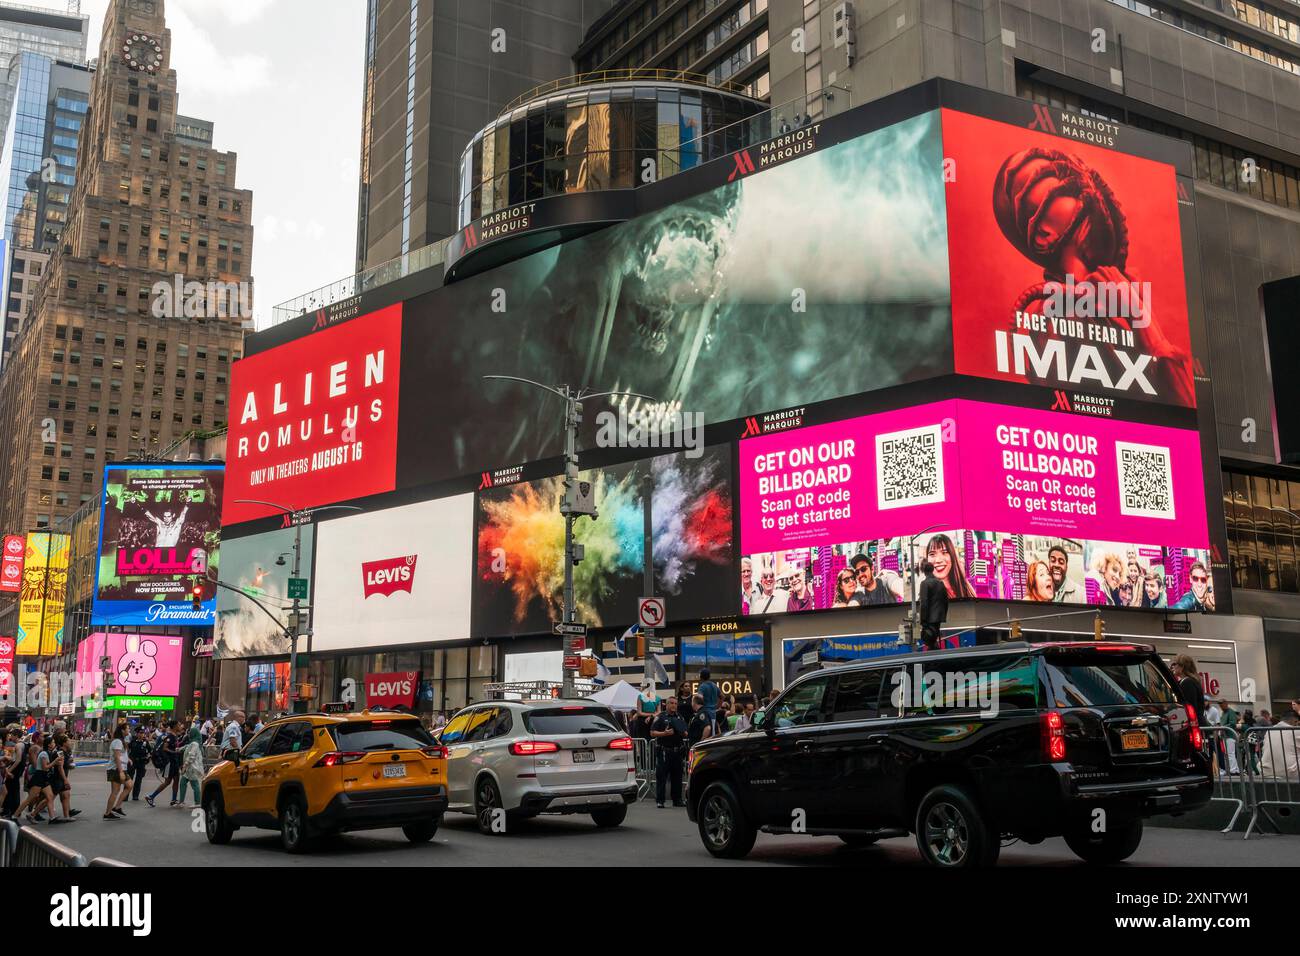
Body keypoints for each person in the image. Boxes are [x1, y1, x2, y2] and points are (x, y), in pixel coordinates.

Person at [650, 696, 687, 808]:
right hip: (664, 751)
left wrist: (683, 733)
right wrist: (664, 734)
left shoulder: (680, 717)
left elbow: (685, 732)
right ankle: (660, 800)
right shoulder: (660, 717)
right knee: (662, 776)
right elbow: (652, 733)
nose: (674, 705)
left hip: (677, 751)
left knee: (677, 776)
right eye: (671, 703)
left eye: (675, 703)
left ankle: (677, 800)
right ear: (666, 704)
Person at [924, 534, 976, 599]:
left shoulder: (965, 584)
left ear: (952, 555)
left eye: (944, 552)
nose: (938, 560)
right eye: (932, 554)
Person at [145, 720, 181, 807]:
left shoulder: (174, 735)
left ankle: (174, 799)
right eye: (178, 725)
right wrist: (174, 752)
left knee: (176, 780)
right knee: (167, 781)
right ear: (175, 726)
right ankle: (151, 796)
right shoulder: (170, 736)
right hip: (169, 762)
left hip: (174, 762)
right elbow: (165, 748)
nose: (180, 726)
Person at [917, 560, 949, 651]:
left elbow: (924, 603)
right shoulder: (940, 583)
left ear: (924, 571)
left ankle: (932, 659)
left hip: (929, 619)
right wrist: (943, 616)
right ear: (932, 570)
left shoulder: (925, 583)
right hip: (938, 618)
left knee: (930, 641)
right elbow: (946, 601)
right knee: (934, 640)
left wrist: (923, 620)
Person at [1169, 654, 1205, 726]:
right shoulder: (1189, 681)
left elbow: (1189, 707)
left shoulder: (1187, 682)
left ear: (1182, 667)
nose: (1173, 666)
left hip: (1192, 725)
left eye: (1175, 664)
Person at [104, 723, 129, 819]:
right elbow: (117, 757)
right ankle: (107, 813)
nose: (129, 730)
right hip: (116, 769)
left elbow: (121, 755)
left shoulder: (121, 741)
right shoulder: (117, 741)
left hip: (120, 768)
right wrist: (121, 771)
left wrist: (128, 759)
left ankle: (117, 807)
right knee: (115, 791)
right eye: (127, 729)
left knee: (129, 785)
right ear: (122, 730)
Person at [178, 728, 204, 808]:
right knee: (183, 783)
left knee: (194, 784)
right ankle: (181, 802)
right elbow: (186, 747)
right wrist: (179, 749)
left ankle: (197, 802)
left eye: (190, 733)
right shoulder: (193, 743)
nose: (189, 734)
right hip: (189, 768)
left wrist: (184, 766)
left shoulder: (195, 744)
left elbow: (191, 756)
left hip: (192, 767)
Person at [127, 726, 151, 800]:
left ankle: (135, 795)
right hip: (133, 762)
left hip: (141, 762)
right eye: (140, 733)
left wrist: (148, 758)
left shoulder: (145, 742)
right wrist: (127, 758)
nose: (142, 734)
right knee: (129, 779)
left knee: (138, 779)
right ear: (137, 733)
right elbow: (127, 749)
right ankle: (125, 795)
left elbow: (150, 751)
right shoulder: (133, 741)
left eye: (143, 733)